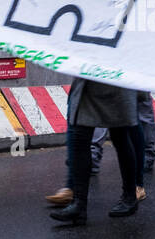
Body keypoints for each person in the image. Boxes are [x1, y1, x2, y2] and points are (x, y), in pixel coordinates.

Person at [49, 78, 141, 224]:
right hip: (88, 83)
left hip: (116, 81)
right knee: (79, 138)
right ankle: (78, 205)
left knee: (120, 137)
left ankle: (130, 196)